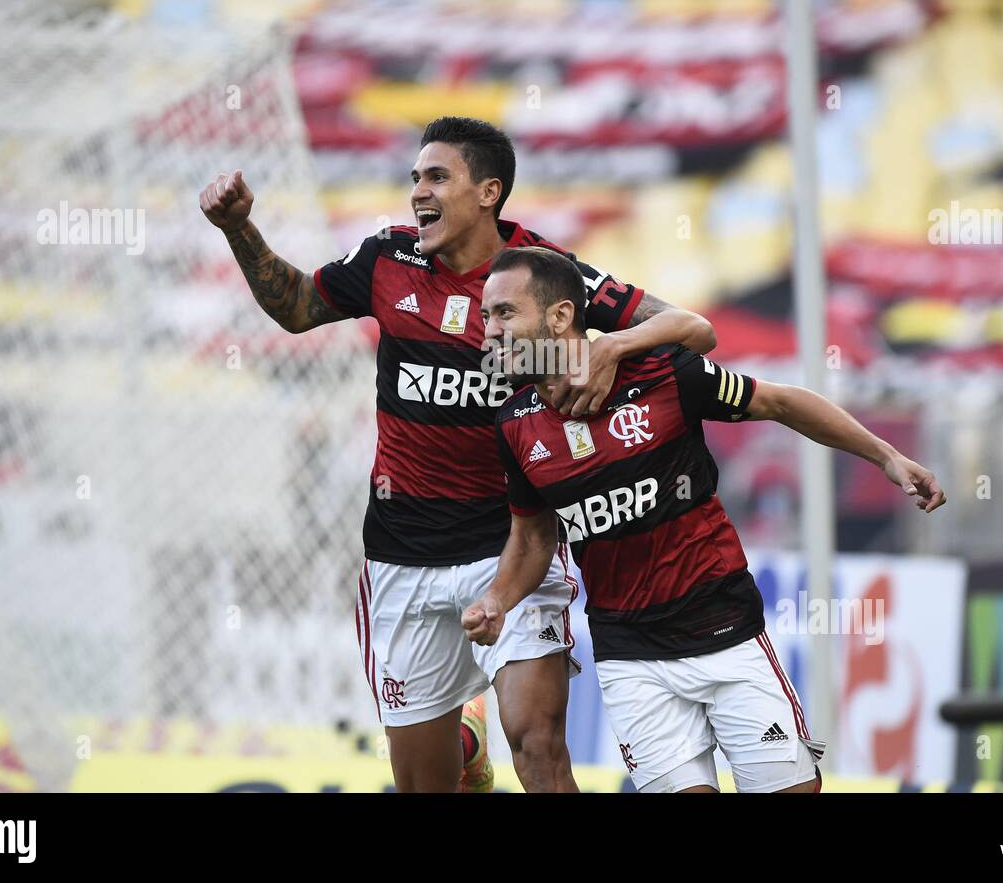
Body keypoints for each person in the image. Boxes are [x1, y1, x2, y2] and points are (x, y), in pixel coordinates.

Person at [199, 117, 716, 792]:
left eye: (438, 176)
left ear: (488, 193)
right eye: (415, 177)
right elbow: (296, 307)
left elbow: (691, 328)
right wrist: (240, 228)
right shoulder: (387, 260)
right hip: (400, 554)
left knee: (536, 741)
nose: (419, 191)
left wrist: (608, 348)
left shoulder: (541, 276)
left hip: (511, 544)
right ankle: (467, 750)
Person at [464, 246, 946, 793]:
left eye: (505, 313)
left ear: (559, 317)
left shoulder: (662, 373)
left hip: (724, 631)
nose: (490, 332)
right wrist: (497, 600)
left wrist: (887, 457)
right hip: (631, 656)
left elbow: (781, 402)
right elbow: (531, 537)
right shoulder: (514, 423)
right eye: (486, 317)